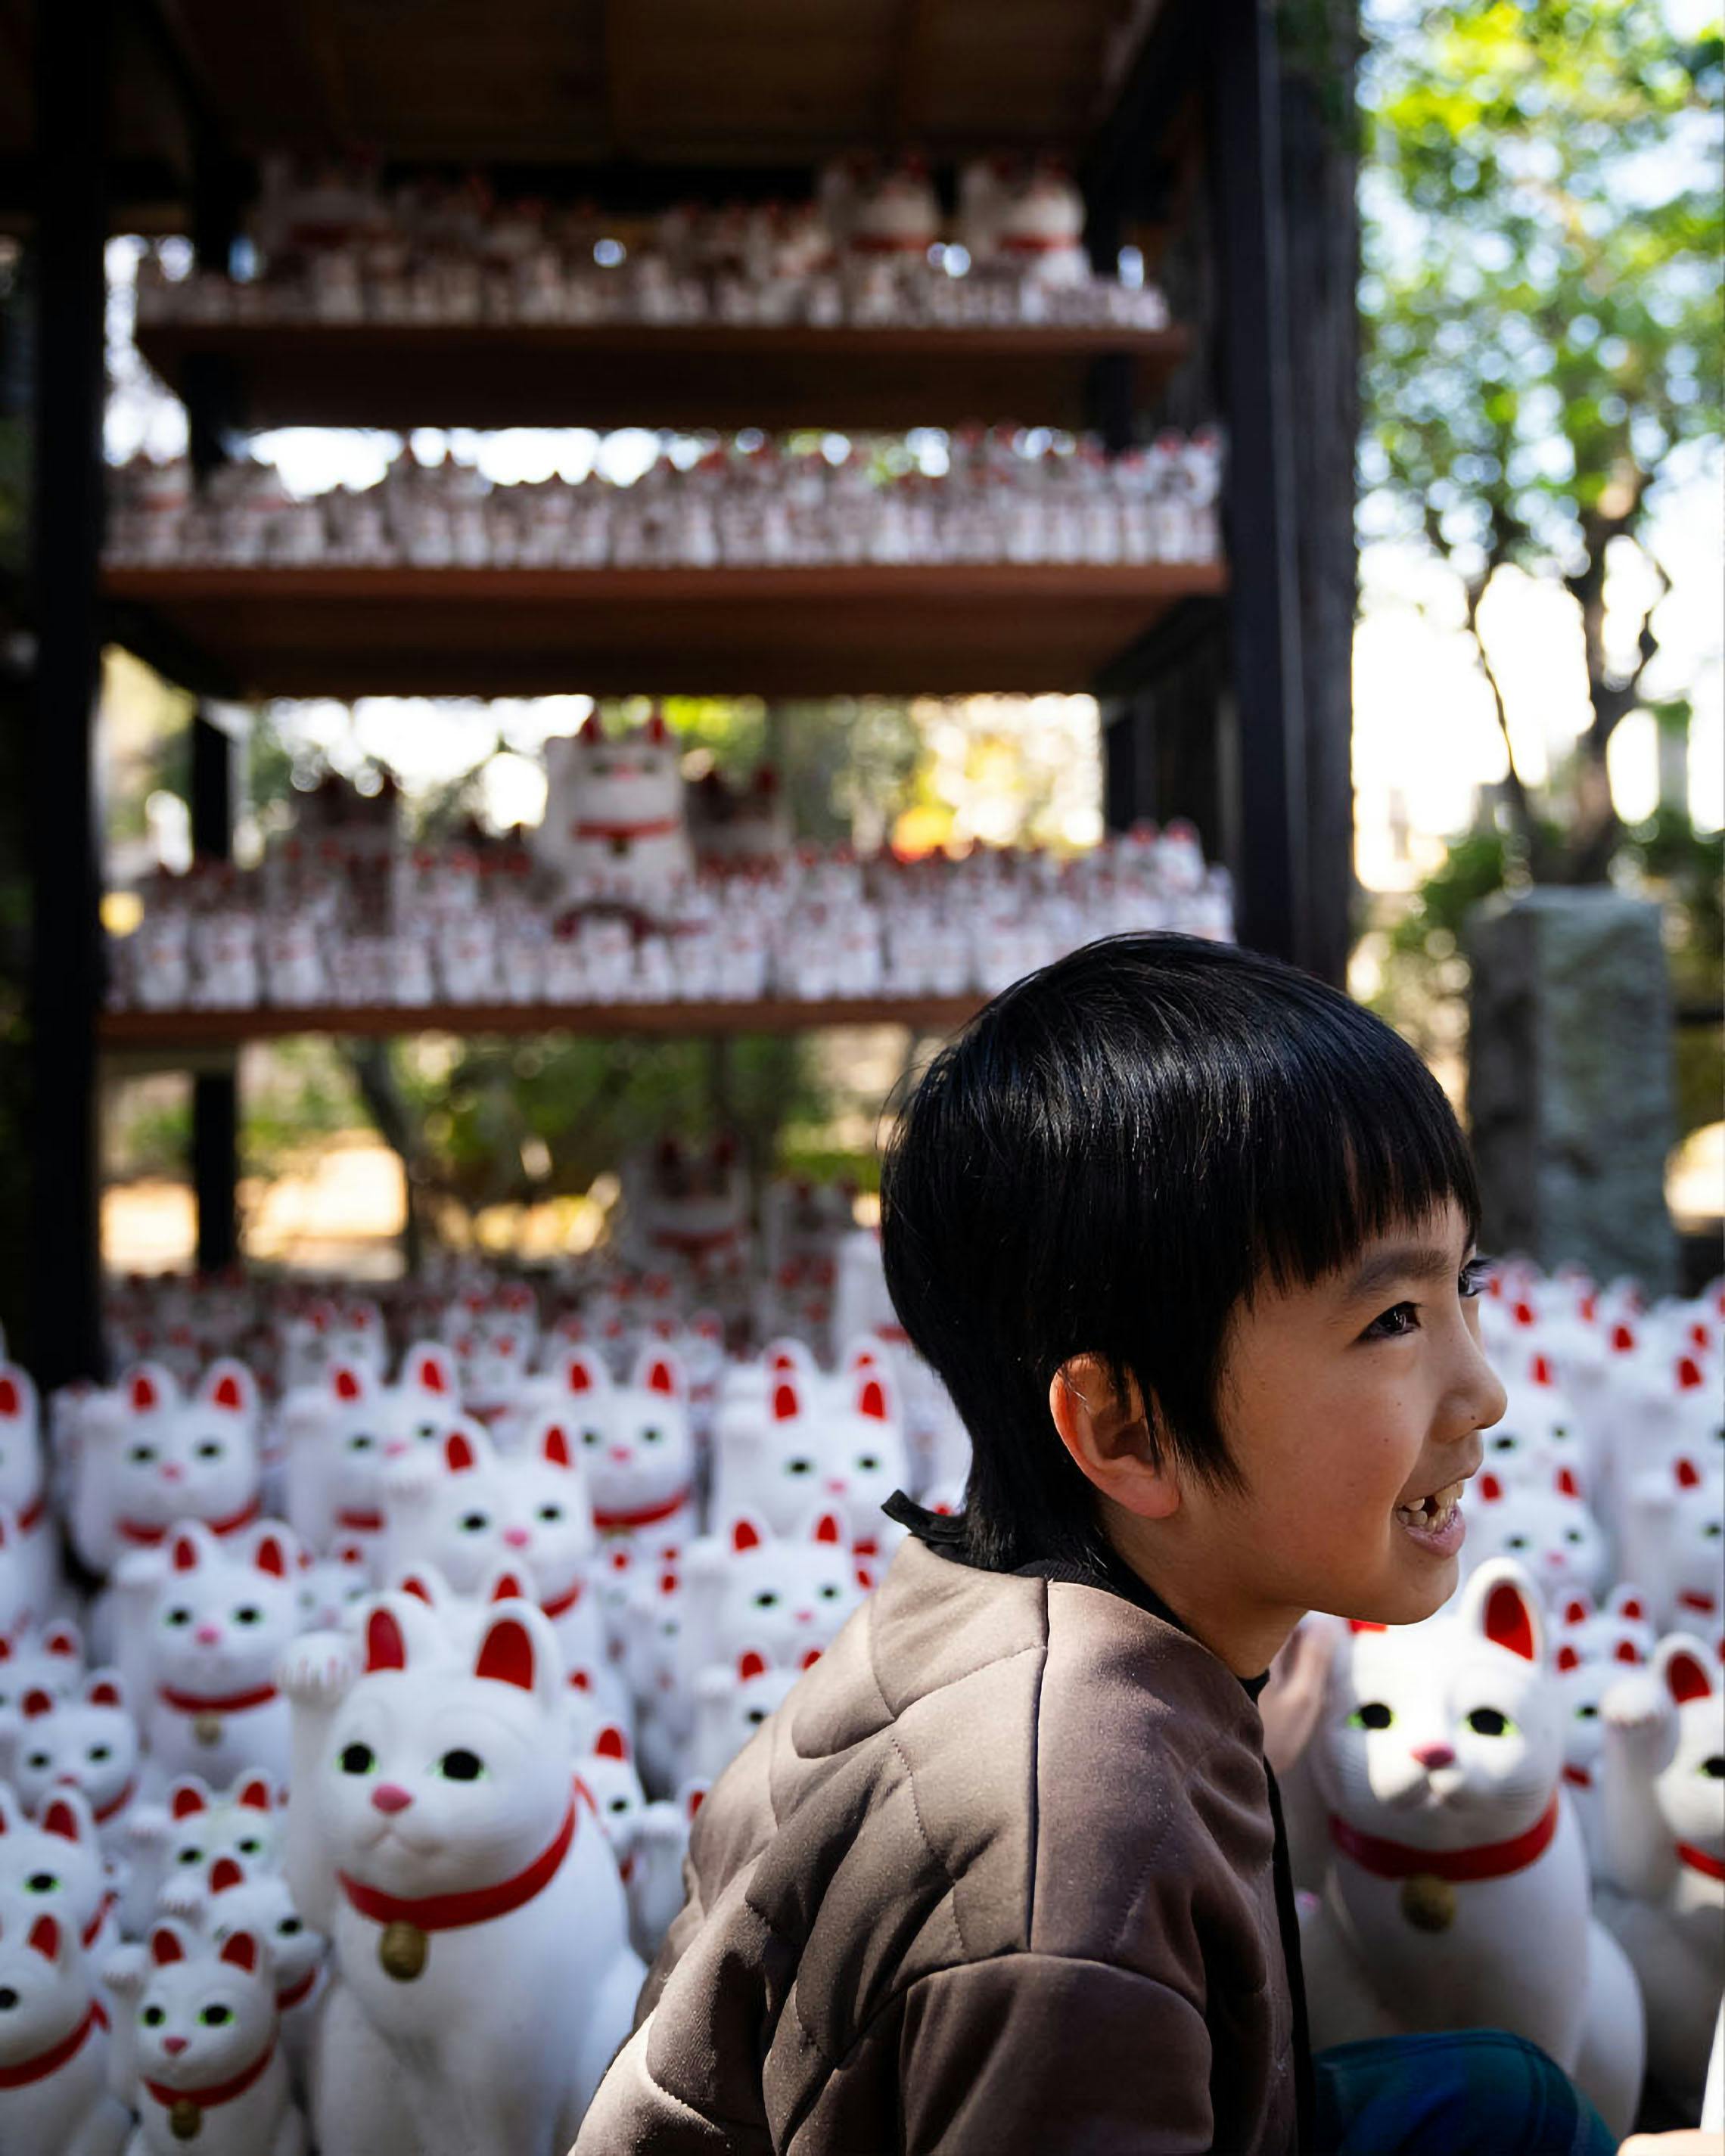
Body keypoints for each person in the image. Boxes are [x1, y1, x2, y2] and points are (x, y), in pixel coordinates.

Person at [574, 933, 1621, 2155]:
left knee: (1501, 2098)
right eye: (1393, 1317)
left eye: (1464, 1291)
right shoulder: (1077, 1859)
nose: (1482, 1392)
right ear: (1126, 1428)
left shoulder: (1003, 1603)